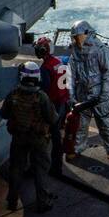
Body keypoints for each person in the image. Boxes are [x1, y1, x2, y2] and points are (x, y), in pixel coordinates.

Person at [0, 60, 58, 213]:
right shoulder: (42, 97)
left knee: (16, 169)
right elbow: (53, 118)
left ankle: (12, 201)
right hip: (38, 138)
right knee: (41, 169)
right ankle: (43, 201)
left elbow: (3, 114)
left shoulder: (13, 95)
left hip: (18, 137)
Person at [68, 20, 109, 164]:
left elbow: (108, 72)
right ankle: (77, 148)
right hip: (82, 93)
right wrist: (71, 95)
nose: (77, 40)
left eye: (79, 36)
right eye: (75, 37)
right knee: (80, 125)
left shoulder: (100, 50)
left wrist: (104, 93)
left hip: (99, 93)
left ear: (87, 34)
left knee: (105, 123)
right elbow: (70, 75)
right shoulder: (74, 53)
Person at [34, 36, 69, 178]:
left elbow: (45, 88)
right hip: (63, 102)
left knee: (47, 136)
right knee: (56, 136)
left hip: (52, 104)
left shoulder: (46, 67)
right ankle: (57, 166)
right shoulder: (59, 61)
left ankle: (53, 167)